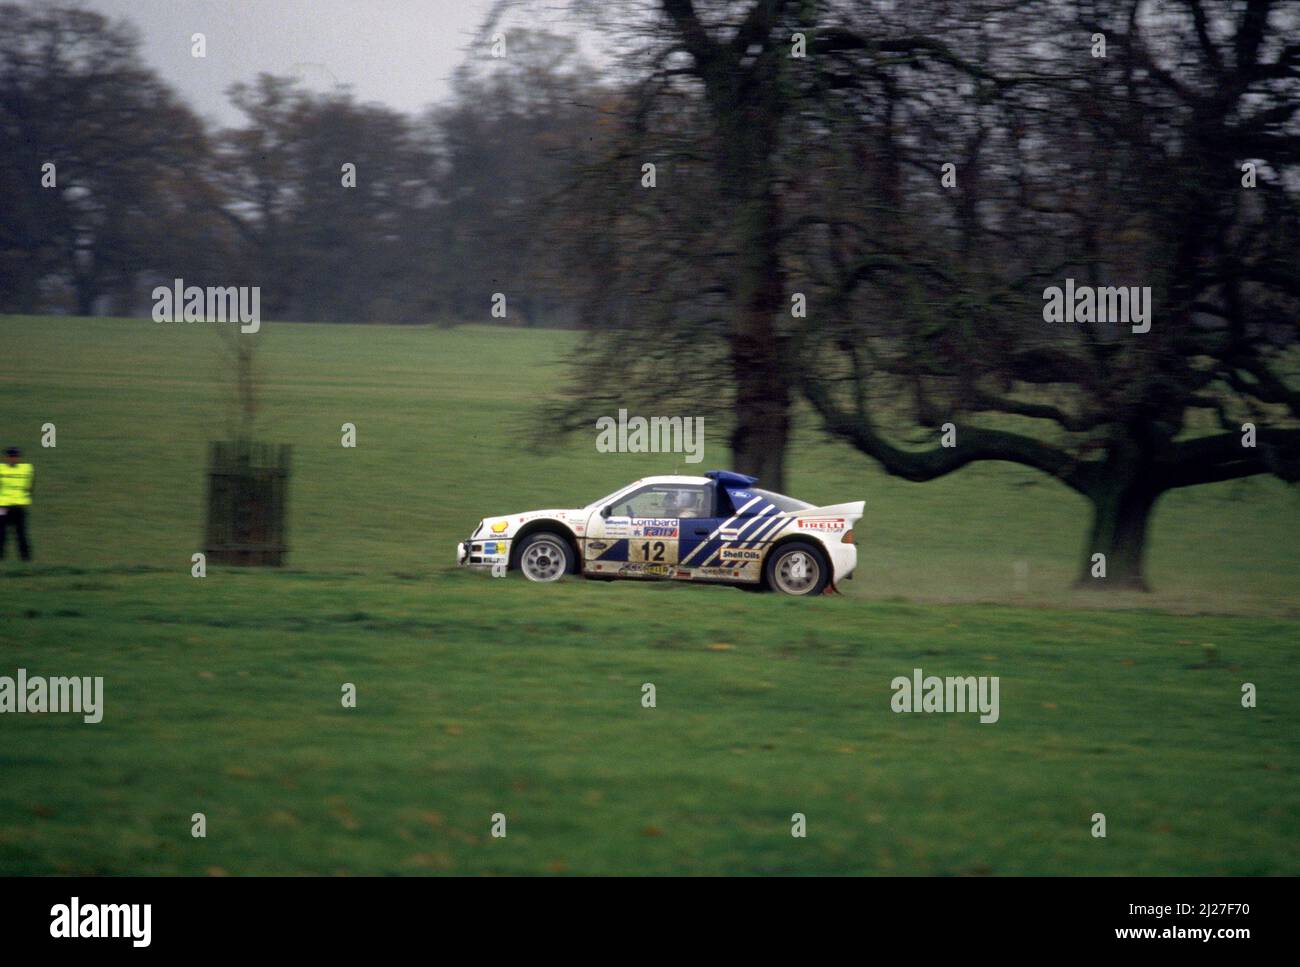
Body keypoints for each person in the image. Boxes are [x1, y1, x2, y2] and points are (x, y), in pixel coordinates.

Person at [0, 446, 34, 561]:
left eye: (15, 456)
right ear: (6, 458)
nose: (13, 459)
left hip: (19, 507)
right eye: (11, 456)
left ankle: (26, 560)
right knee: (1, 535)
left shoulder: (26, 469)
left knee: (21, 535)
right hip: (3, 507)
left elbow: (30, 486)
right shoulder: (1, 469)